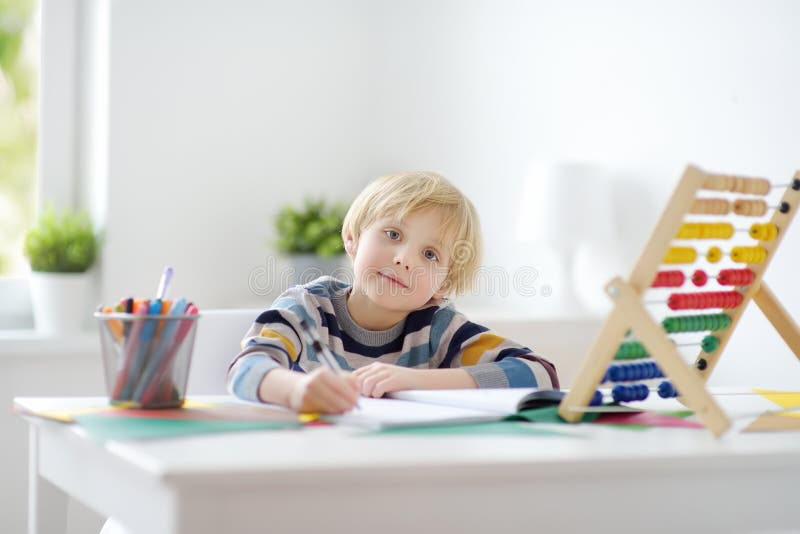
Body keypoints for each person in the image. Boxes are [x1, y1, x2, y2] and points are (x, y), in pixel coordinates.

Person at [227, 171, 559, 413]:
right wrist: (296, 391)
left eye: (430, 255)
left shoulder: (439, 328)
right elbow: (246, 370)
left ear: (442, 285)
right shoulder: (305, 309)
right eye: (393, 233)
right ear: (353, 237)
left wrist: (412, 380)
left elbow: (539, 373)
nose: (403, 260)